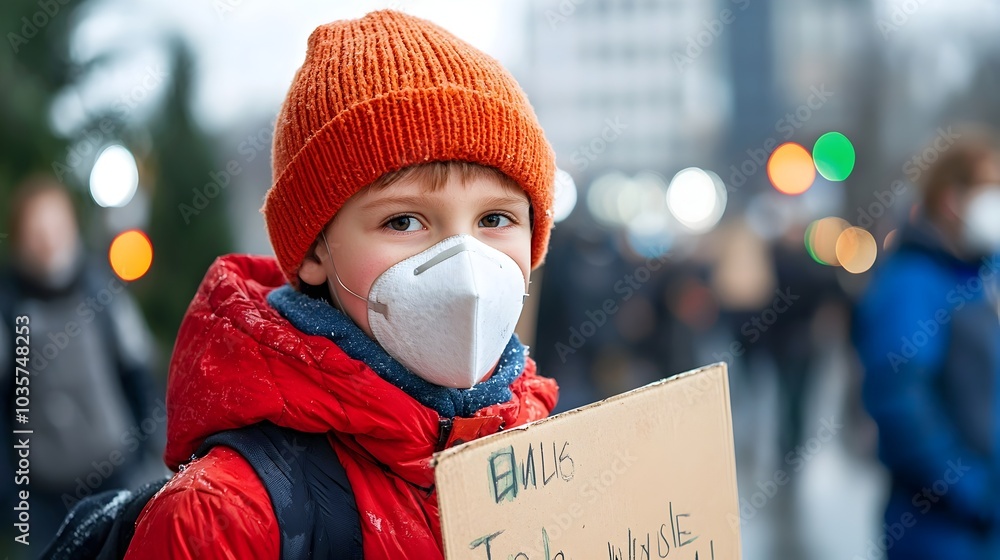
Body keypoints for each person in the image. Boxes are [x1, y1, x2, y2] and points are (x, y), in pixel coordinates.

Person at [124, 10, 559, 559]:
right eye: (403, 221)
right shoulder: (222, 520)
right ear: (313, 250)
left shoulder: (548, 454)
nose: (468, 272)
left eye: (495, 219)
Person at [855, 127, 1000, 559]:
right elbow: (901, 403)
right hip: (943, 530)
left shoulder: (977, 275)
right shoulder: (911, 285)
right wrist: (975, 492)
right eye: (990, 190)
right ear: (952, 201)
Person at [0, 176, 159, 554]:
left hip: (118, 477)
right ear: (21, 239)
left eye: (56, 226)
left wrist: (148, 447)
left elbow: (137, 373)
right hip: (43, 501)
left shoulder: (102, 293)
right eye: (37, 230)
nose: (48, 239)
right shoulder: (9, 311)